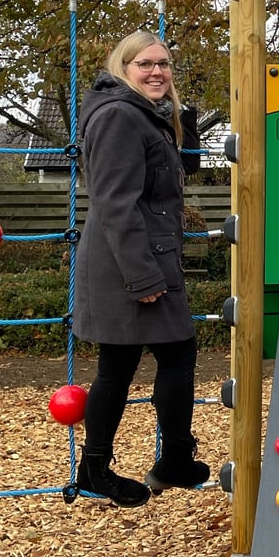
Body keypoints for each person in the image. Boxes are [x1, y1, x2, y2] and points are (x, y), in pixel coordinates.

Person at [73, 31, 209, 507]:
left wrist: (179, 112)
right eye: (145, 64)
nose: (156, 72)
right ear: (122, 69)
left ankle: (164, 458)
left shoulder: (148, 116)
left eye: (164, 64)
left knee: (145, 359)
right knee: (132, 362)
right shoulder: (117, 118)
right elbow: (115, 203)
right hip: (127, 260)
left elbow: (184, 169)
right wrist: (142, 275)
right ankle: (105, 467)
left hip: (145, 253)